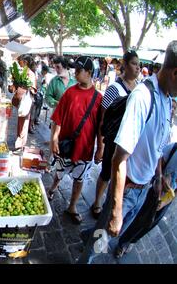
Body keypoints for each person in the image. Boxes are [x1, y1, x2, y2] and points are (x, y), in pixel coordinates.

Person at [78, 40, 176, 264]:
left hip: (143, 189)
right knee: (98, 245)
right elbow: (119, 159)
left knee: (109, 234)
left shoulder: (167, 99)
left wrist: (159, 177)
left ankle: (92, 233)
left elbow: (157, 147)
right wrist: (116, 210)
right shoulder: (143, 97)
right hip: (127, 190)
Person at [46, 56, 103, 224]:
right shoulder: (69, 93)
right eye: (75, 70)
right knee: (59, 171)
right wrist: (54, 139)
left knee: (80, 178)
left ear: (89, 73)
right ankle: (52, 188)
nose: (75, 73)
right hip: (65, 145)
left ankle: (72, 206)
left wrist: (100, 148)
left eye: (79, 71)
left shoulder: (98, 98)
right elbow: (58, 118)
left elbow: (100, 127)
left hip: (84, 148)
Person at [90, 51, 141, 219]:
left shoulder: (141, 89)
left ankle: (110, 204)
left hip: (130, 142)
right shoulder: (114, 88)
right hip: (113, 141)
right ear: (124, 65)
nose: (138, 67)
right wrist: (101, 146)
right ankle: (97, 202)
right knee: (106, 173)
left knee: (120, 177)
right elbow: (102, 118)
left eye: (138, 64)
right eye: (134, 63)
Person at [114, 141, 176, 258]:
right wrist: (161, 178)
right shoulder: (174, 148)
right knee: (137, 216)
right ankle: (119, 235)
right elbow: (159, 161)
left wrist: (164, 202)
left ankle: (128, 241)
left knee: (149, 223)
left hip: (166, 199)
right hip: (153, 189)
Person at [13, 56, 38, 149]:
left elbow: (33, 89)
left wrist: (24, 86)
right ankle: (19, 140)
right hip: (21, 100)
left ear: (25, 62)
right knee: (21, 121)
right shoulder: (23, 72)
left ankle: (21, 143)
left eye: (20, 61)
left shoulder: (30, 73)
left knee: (24, 122)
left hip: (26, 101)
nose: (19, 63)